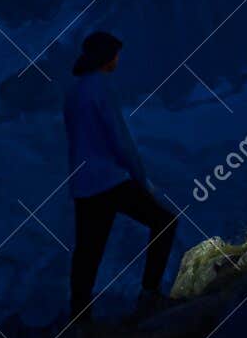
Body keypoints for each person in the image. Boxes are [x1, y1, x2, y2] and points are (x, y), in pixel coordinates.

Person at [63, 31, 176, 323]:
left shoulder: (74, 92)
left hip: (83, 183)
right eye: (115, 53)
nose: (118, 59)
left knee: (87, 251)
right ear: (106, 56)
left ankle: (79, 320)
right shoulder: (102, 88)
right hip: (110, 180)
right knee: (164, 222)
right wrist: (142, 179)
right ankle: (149, 295)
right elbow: (120, 140)